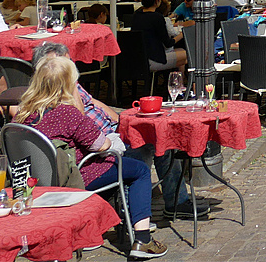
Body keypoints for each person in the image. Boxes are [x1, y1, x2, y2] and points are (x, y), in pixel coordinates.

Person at [31, 42, 207, 222]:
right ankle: (134, 209)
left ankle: (174, 201)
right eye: (62, 65)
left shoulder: (70, 85)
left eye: (69, 64)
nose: (70, 70)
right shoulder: (58, 100)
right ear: (45, 70)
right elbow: (81, 120)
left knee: (157, 136)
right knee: (148, 144)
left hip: (110, 131)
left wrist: (120, 120)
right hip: (98, 146)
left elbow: (93, 102)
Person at [16, 55, 167, 257]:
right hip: (75, 176)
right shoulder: (67, 113)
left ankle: (90, 227)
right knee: (138, 170)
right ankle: (142, 240)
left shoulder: (24, 113)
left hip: (37, 179)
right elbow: (101, 145)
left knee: (117, 167)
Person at [135, 0, 186, 74]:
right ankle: (179, 82)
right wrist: (182, 34)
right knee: (188, 55)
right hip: (154, 59)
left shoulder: (137, 15)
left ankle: (175, 81)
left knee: (181, 54)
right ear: (157, 0)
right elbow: (168, 43)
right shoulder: (157, 17)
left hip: (139, 58)